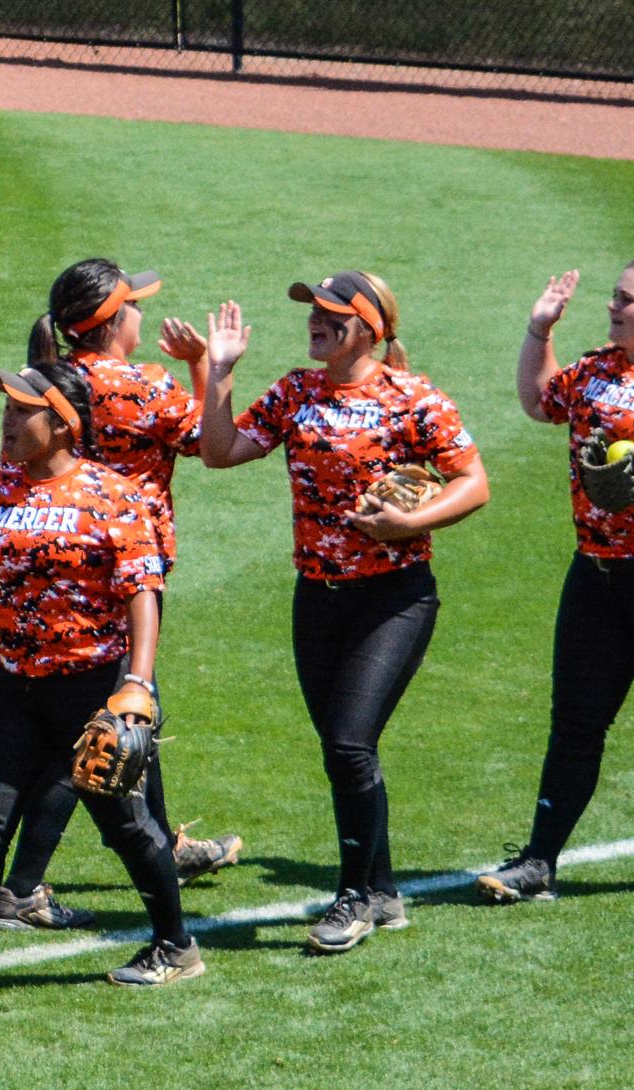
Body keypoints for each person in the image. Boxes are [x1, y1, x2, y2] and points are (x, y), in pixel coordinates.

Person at [0, 361, 198, 1007]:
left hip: (93, 690)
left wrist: (136, 685)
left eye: (23, 409)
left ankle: (175, 945)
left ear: (63, 424)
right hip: (16, 689)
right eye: (7, 407)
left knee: (128, 827)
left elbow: (143, 594)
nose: (7, 418)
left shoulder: (115, 494)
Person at [199, 273, 490, 953]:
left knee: (349, 742)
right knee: (344, 752)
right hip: (317, 598)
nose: (316, 321)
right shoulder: (297, 391)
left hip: (395, 598)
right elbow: (218, 452)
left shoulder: (412, 397)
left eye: (332, 313)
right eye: (313, 311)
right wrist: (218, 374)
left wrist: (409, 523)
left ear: (368, 327)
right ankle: (383, 892)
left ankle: (354, 898)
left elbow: (473, 482)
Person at [0, 262, 242, 935]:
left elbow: (11, 478)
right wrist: (206, 366)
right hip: (122, 575)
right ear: (115, 322)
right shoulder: (142, 386)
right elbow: (209, 441)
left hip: (32, 556)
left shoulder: (50, 382)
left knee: (111, 721)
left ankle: (164, 843)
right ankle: (26, 886)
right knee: (100, 727)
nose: (143, 313)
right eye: (135, 305)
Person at [481, 262, 634, 902]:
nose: (612, 306)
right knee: (575, 725)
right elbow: (540, 401)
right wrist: (538, 331)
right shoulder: (598, 368)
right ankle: (538, 861)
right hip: (598, 579)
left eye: (625, 299)